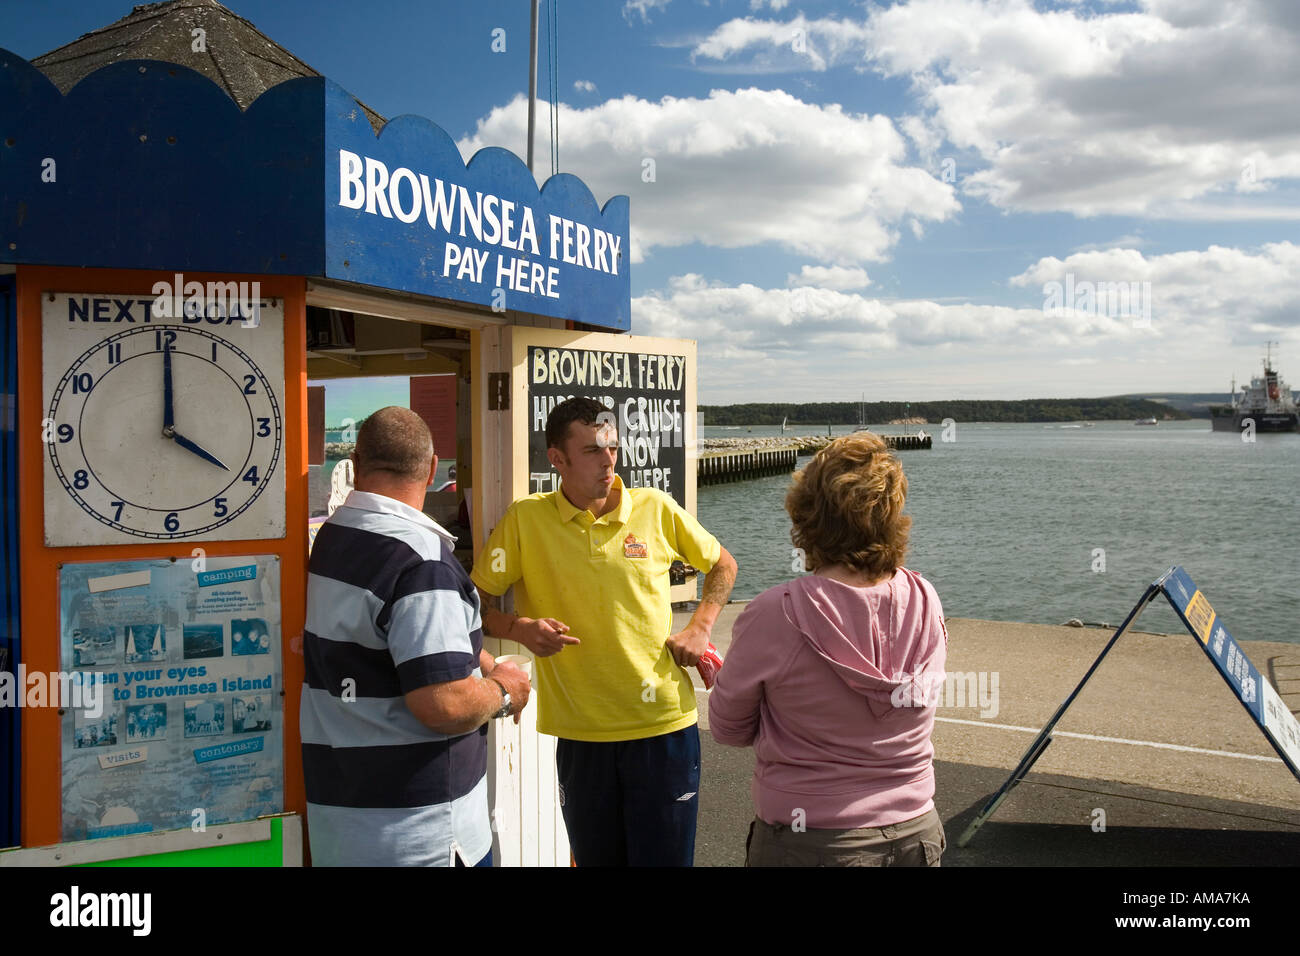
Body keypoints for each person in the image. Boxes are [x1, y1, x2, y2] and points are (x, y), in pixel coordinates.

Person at [471, 396, 737, 866]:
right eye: (594, 449)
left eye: (613, 446)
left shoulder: (654, 508)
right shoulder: (525, 519)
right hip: (581, 738)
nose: (609, 459)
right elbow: (475, 602)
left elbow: (722, 565)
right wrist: (518, 628)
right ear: (557, 459)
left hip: (664, 731)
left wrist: (700, 625)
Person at [301, 406, 531, 867]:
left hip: (342, 824)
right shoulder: (422, 563)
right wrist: (505, 690)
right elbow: (442, 705)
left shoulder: (335, 538)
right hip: (421, 836)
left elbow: (397, 646)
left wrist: (482, 662)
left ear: (357, 463)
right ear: (431, 469)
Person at [709, 432, 948, 866]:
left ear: (806, 516)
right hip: (916, 829)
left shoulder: (775, 612)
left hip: (813, 840)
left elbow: (729, 730)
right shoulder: (925, 597)